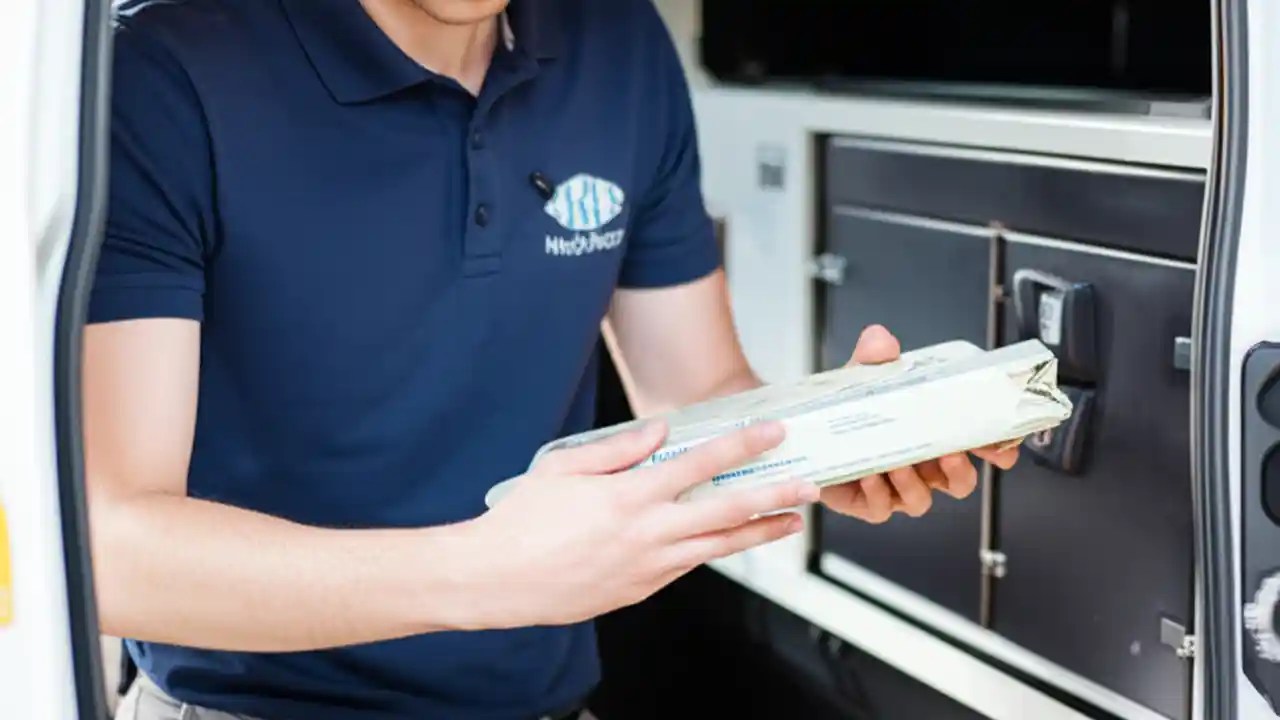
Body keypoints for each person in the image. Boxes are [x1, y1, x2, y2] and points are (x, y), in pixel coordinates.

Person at [87, 1, 1019, 718]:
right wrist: (484, 574)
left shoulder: (618, 45)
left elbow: (694, 393)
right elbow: (110, 552)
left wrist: (835, 443)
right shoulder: (161, 70)